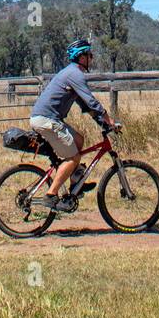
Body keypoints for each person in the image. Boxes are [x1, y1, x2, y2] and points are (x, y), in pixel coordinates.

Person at [29, 39, 114, 213]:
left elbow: (85, 106)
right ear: (81, 57)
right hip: (46, 119)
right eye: (90, 54)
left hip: (48, 119)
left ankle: (76, 182)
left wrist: (101, 122)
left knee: (79, 140)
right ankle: (51, 194)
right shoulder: (75, 74)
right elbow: (91, 100)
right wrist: (108, 119)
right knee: (73, 158)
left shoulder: (71, 73)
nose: (92, 57)